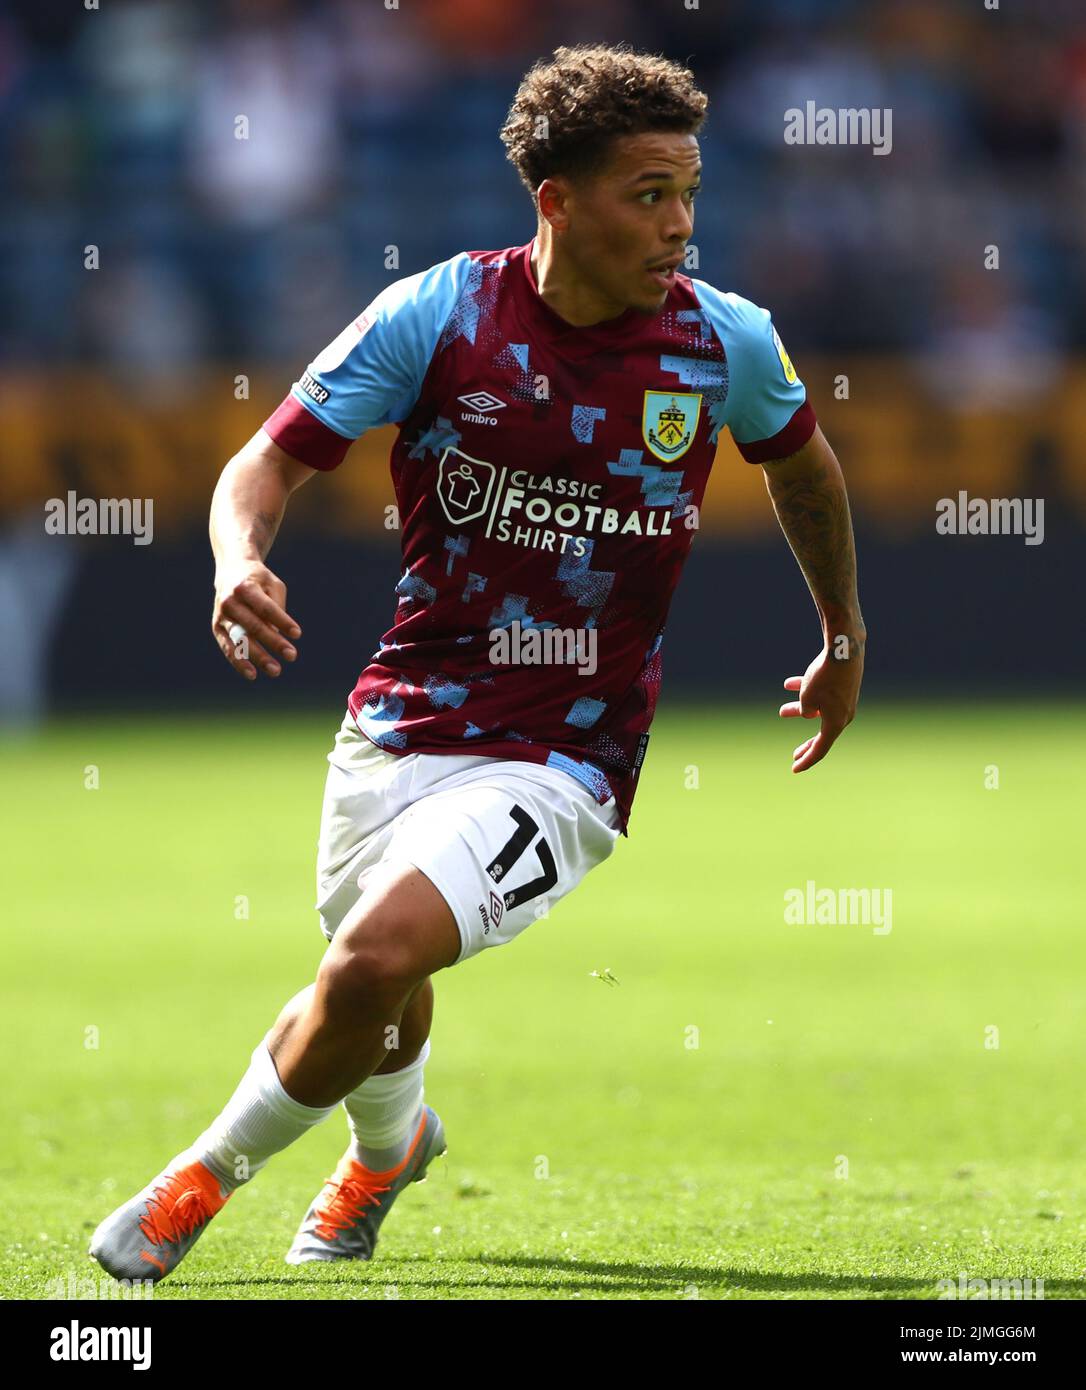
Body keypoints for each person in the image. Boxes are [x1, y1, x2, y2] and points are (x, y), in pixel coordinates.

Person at [90, 43, 866, 1283]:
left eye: (691, 194)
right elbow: (265, 463)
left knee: (379, 956)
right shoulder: (441, 314)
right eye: (649, 194)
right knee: (371, 990)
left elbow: (805, 468)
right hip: (403, 717)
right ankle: (392, 1151)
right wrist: (237, 558)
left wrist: (843, 632)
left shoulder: (725, 342)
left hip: (568, 751)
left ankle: (193, 1186)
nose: (681, 226)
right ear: (556, 200)